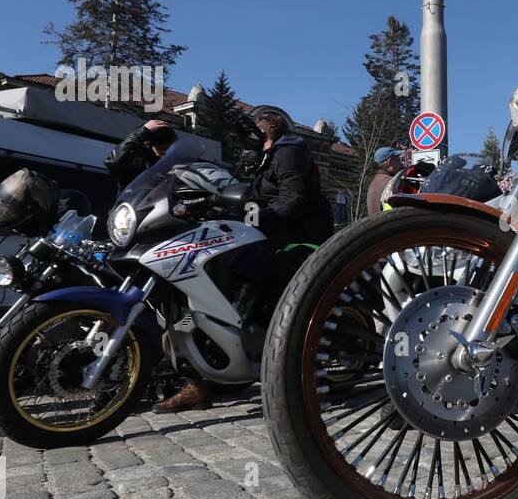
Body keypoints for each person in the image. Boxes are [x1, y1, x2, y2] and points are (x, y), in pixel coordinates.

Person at [154, 109, 333, 411]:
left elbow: (293, 201)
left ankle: (308, 382)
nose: (243, 145)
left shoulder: (288, 152)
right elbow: (247, 199)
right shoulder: (264, 160)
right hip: (267, 237)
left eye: (249, 137)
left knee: (280, 307)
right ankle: (206, 377)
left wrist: (252, 217)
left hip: (295, 241)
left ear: (264, 134)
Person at [104, 119, 176, 186]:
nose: (167, 152)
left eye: (171, 147)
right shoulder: (134, 162)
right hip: (132, 198)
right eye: (162, 148)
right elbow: (115, 163)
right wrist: (142, 132)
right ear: (147, 144)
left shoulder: (170, 163)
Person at [365, 147, 404, 216]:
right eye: (398, 159)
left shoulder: (374, 182)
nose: (401, 163)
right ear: (390, 161)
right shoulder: (392, 182)